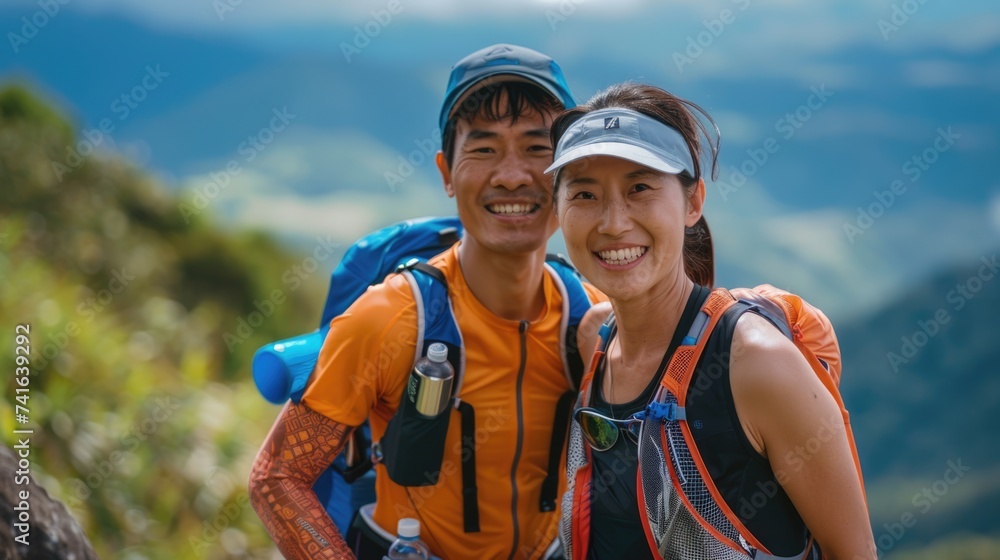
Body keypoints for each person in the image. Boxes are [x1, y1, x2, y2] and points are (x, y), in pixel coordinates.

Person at [248, 44, 607, 560]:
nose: (511, 175)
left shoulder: (590, 317)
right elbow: (277, 477)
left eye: (537, 148)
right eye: (483, 149)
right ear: (446, 172)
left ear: (570, 170)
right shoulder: (391, 318)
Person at [547, 83, 876, 559]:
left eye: (640, 188)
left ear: (693, 202)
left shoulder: (757, 364)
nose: (613, 222)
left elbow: (855, 553)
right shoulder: (595, 340)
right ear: (558, 210)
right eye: (584, 194)